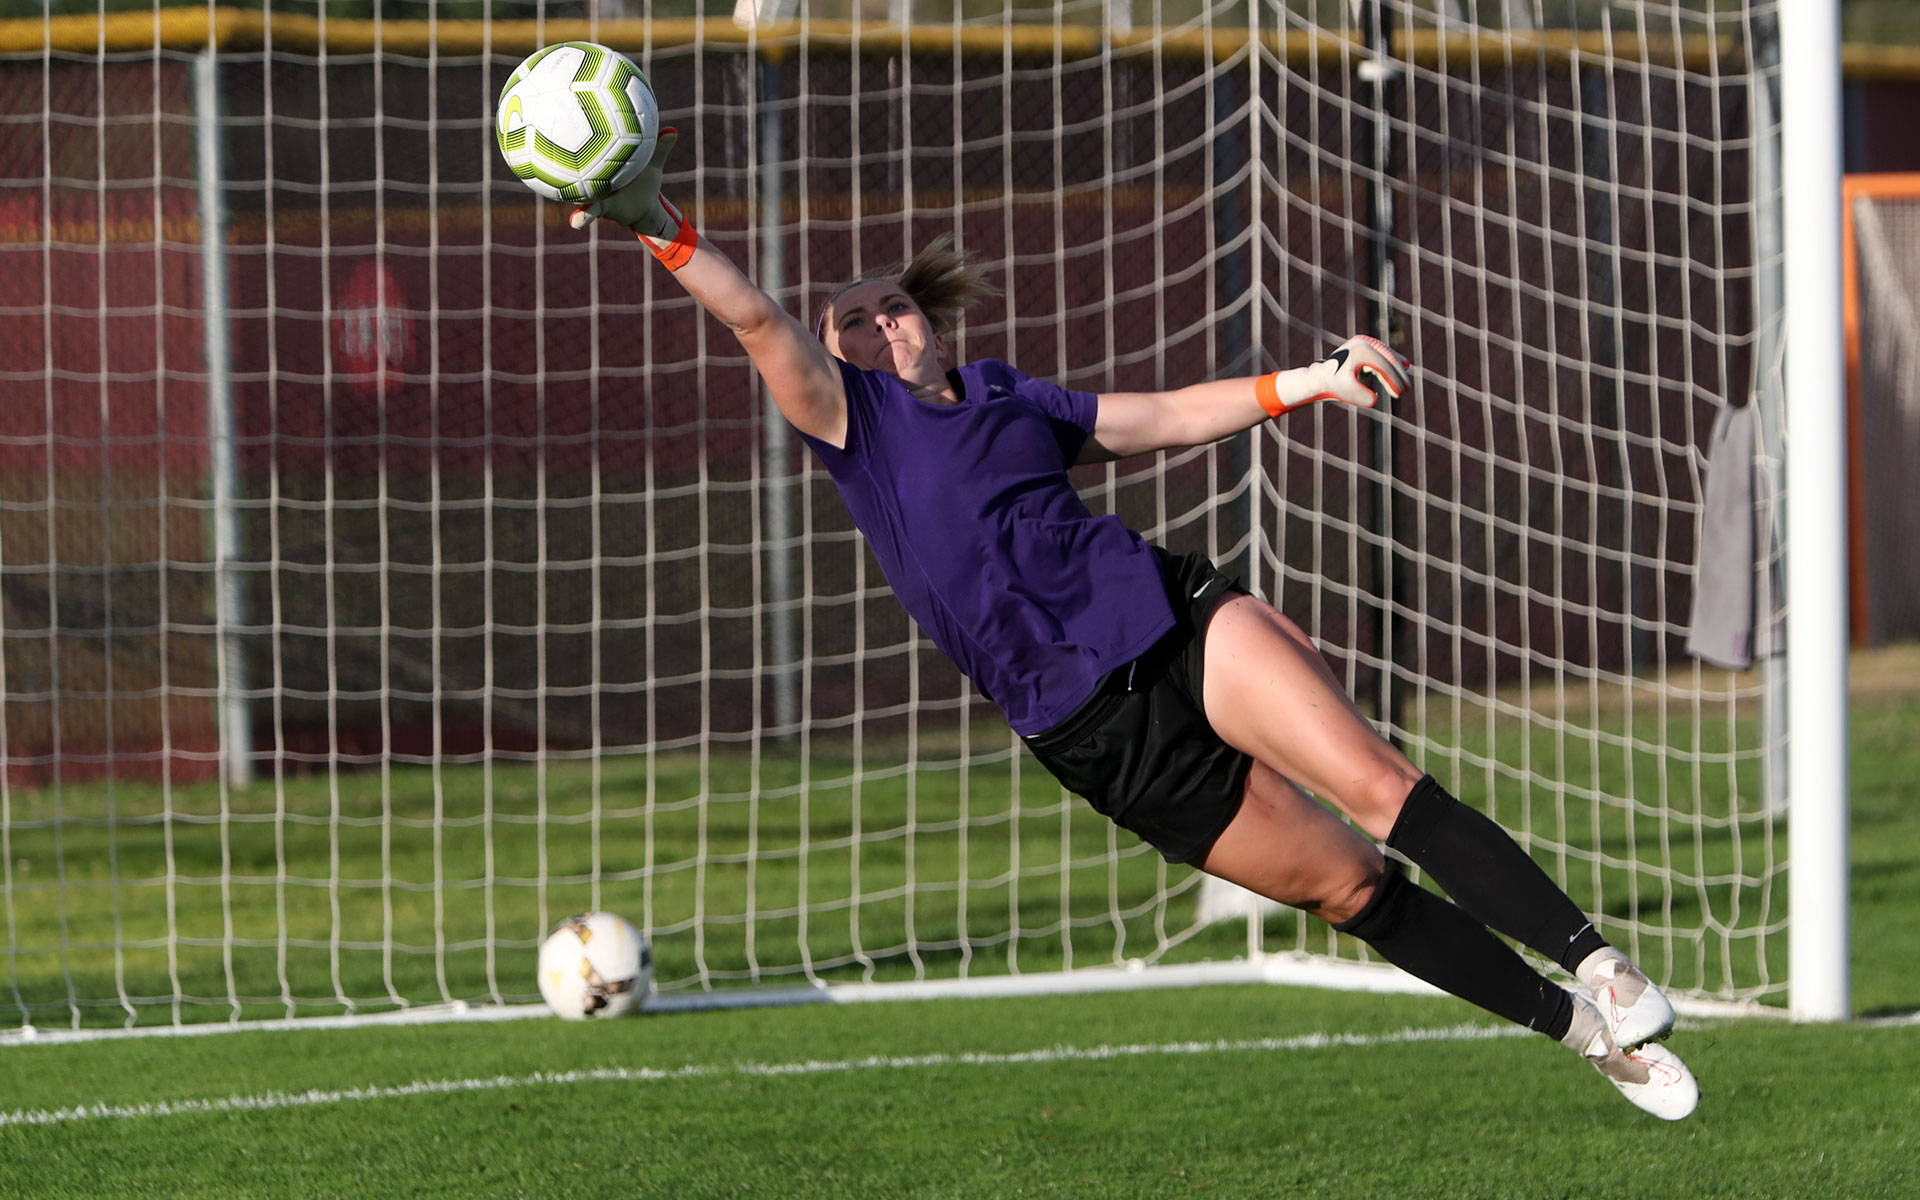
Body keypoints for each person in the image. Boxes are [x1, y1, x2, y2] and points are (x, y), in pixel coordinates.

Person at [571, 132, 1699, 1120]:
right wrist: (652, 220)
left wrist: (1310, 379)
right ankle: (1581, 1033)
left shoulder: (1011, 397)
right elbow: (754, 314)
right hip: (1092, 736)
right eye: (852, 321)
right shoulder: (847, 423)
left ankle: (1597, 963)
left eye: (893, 305)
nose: (876, 323)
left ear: (931, 322)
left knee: (1380, 784)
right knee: (1353, 887)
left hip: (1169, 622)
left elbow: (1155, 417)